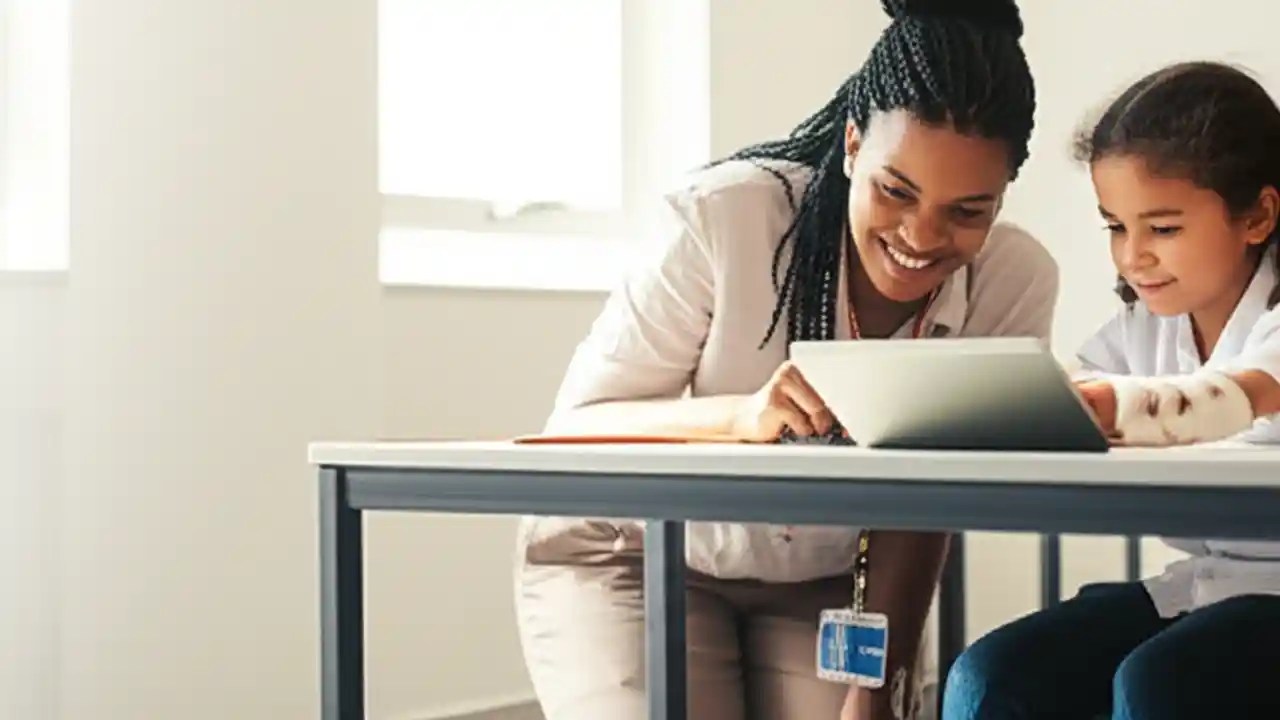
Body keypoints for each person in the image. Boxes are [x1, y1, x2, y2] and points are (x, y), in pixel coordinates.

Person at [516, 2, 1054, 718]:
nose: (921, 237)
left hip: (825, 582)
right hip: (632, 553)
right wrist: (740, 416)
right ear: (854, 145)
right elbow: (574, 425)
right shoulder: (729, 219)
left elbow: (926, 504)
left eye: (968, 211)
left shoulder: (1012, 281)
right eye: (897, 191)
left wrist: (876, 687)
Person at [943, 61, 1280, 720]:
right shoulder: (1142, 328)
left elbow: (1233, 396)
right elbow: (1069, 390)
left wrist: (1113, 407)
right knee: (988, 679)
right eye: (1116, 227)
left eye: (1163, 228)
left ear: (1259, 216)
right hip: (1202, 591)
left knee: (1158, 684)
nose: (1133, 256)